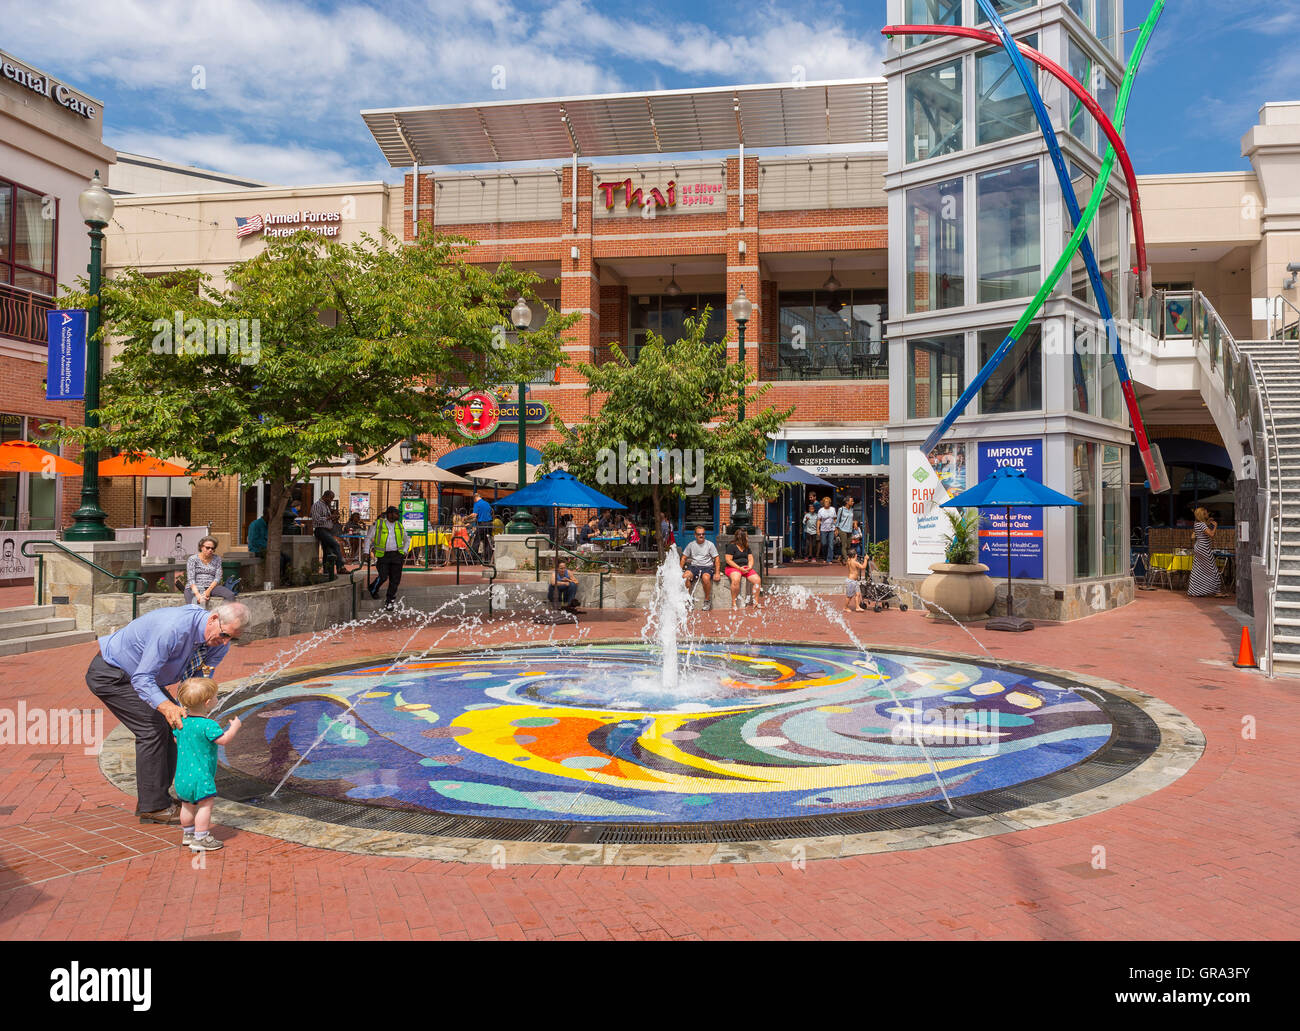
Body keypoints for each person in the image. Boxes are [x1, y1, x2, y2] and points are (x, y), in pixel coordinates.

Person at [86, 602, 251, 823]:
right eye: (224, 634)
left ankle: (160, 798)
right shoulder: (172, 629)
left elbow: (198, 681)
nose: (225, 642)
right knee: (152, 728)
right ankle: (153, 808)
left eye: (233, 638)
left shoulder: (218, 642)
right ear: (213, 619)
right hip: (113, 674)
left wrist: (194, 711)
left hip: (140, 675)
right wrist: (167, 706)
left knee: (177, 723)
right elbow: (142, 678)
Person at [173, 677, 242, 851]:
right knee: (205, 806)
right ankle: (201, 838)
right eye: (217, 697)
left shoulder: (181, 723)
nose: (218, 699)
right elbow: (223, 740)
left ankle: (188, 835)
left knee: (186, 806)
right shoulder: (208, 725)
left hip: (181, 776)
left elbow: (176, 739)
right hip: (201, 776)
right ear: (208, 702)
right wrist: (234, 727)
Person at [365, 505, 411, 607]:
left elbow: (407, 539)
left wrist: (404, 551)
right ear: (390, 514)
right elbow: (368, 538)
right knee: (383, 576)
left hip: (397, 555)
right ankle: (373, 589)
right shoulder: (378, 524)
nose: (398, 515)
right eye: (396, 513)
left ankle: (390, 600)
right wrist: (366, 552)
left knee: (395, 580)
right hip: (383, 555)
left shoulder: (399, 525)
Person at [184, 536, 238, 606]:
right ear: (201, 547)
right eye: (207, 548)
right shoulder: (193, 559)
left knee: (230, 595)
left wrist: (208, 591)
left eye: (212, 548)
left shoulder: (217, 559)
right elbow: (191, 578)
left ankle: (224, 614)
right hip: (194, 587)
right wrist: (197, 594)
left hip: (212, 587)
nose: (210, 550)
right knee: (193, 606)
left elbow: (218, 577)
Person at [1188, 506, 1228, 598]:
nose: (1207, 514)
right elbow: (1211, 534)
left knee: (1198, 569)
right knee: (1212, 569)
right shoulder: (1202, 525)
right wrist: (1215, 526)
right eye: (1206, 513)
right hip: (1204, 548)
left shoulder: (1196, 524)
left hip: (1198, 548)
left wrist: (1208, 522)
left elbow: (1202, 530)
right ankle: (1217, 591)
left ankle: (1195, 590)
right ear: (1202, 514)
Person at [680, 525, 719, 609]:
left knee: (705, 578)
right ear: (695, 535)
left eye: (703, 534)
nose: (701, 536)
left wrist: (717, 573)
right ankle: (689, 600)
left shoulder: (710, 545)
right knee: (685, 576)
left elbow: (717, 558)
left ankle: (707, 601)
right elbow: (683, 558)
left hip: (707, 567)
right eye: (699, 534)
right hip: (694, 567)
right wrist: (678, 570)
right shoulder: (691, 545)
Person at [246, 510, 288, 583]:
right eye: (271, 516)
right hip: (257, 550)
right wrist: (269, 547)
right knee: (279, 559)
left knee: (287, 557)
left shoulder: (268, 525)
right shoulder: (255, 524)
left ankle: (284, 578)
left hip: (268, 549)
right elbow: (254, 541)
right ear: (266, 515)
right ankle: (277, 580)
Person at [724, 528, 762, 608]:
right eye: (747, 536)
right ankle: (734, 602)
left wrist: (749, 567)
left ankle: (755, 602)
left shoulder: (746, 547)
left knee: (757, 580)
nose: (748, 538)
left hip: (745, 568)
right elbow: (728, 560)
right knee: (736, 579)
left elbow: (750, 558)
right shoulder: (731, 546)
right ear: (742, 538)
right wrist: (739, 568)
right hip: (733, 567)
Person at [311, 491, 346, 572]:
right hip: (321, 530)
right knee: (336, 545)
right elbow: (316, 519)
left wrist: (333, 518)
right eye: (330, 498)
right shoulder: (317, 505)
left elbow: (327, 518)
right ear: (325, 496)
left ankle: (327, 571)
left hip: (327, 530)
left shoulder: (326, 506)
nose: (331, 500)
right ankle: (340, 567)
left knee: (327, 551)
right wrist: (329, 517)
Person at [472, 490, 495, 563]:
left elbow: (474, 515)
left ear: (475, 498)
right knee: (487, 541)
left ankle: (473, 559)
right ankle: (488, 559)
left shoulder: (477, 504)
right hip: (489, 524)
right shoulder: (487, 503)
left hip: (482, 524)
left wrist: (466, 518)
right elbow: (491, 513)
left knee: (476, 541)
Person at [817, 496, 838, 564]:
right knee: (824, 544)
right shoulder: (821, 510)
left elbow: (835, 519)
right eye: (825, 502)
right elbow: (819, 520)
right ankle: (825, 557)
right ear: (823, 503)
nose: (827, 503)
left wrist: (836, 528)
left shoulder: (832, 509)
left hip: (831, 529)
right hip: (823, 529)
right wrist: (817, 529)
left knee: (831, 544)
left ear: (830, 503)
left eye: (828, 502)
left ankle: (829, 559)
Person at [836, 497, 856, 566]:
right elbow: (837, 520)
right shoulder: (841, 509)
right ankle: (847, 560)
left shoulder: (851, 510)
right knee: (844, 546)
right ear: (847, 502)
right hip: (842, 529)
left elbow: (852, 519)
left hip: (850, 530)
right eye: (852, 501)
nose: (853, 502)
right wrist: (836, 529)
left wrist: (855, 524)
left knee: (848, 546)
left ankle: (841, 558)